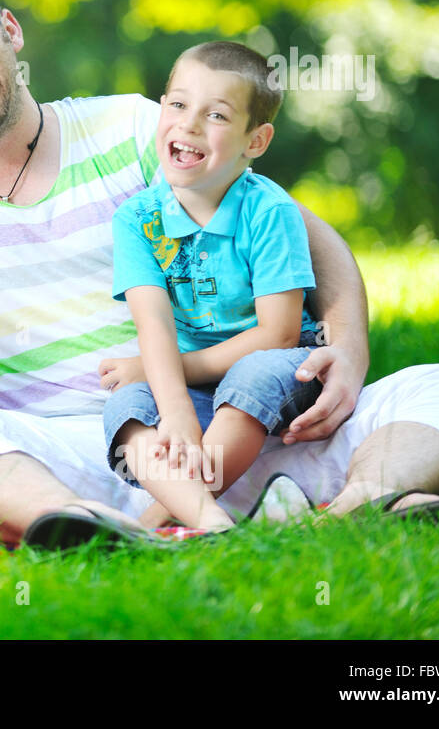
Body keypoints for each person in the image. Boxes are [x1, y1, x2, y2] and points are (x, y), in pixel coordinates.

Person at [0, 0, 439, 547]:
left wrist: (349, 350)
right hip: (42, 457)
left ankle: (357, 506)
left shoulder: (134, 130)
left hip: (223, 434)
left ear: (10, 30)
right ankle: (84, 527)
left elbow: (305, 234)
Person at [104, 41, 324, 530]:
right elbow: (154, 325)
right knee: (128, 407)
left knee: (252, 377)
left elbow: (279, 335)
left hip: (280, 368)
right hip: (197, 384)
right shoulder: (136, 219)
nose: (189, 124)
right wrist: (176, 407)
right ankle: (208, 518)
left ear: (256, 141)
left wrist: (173, 375)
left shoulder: (269, 211)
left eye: (217, 116)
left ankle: (157, 519)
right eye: (178, 104)